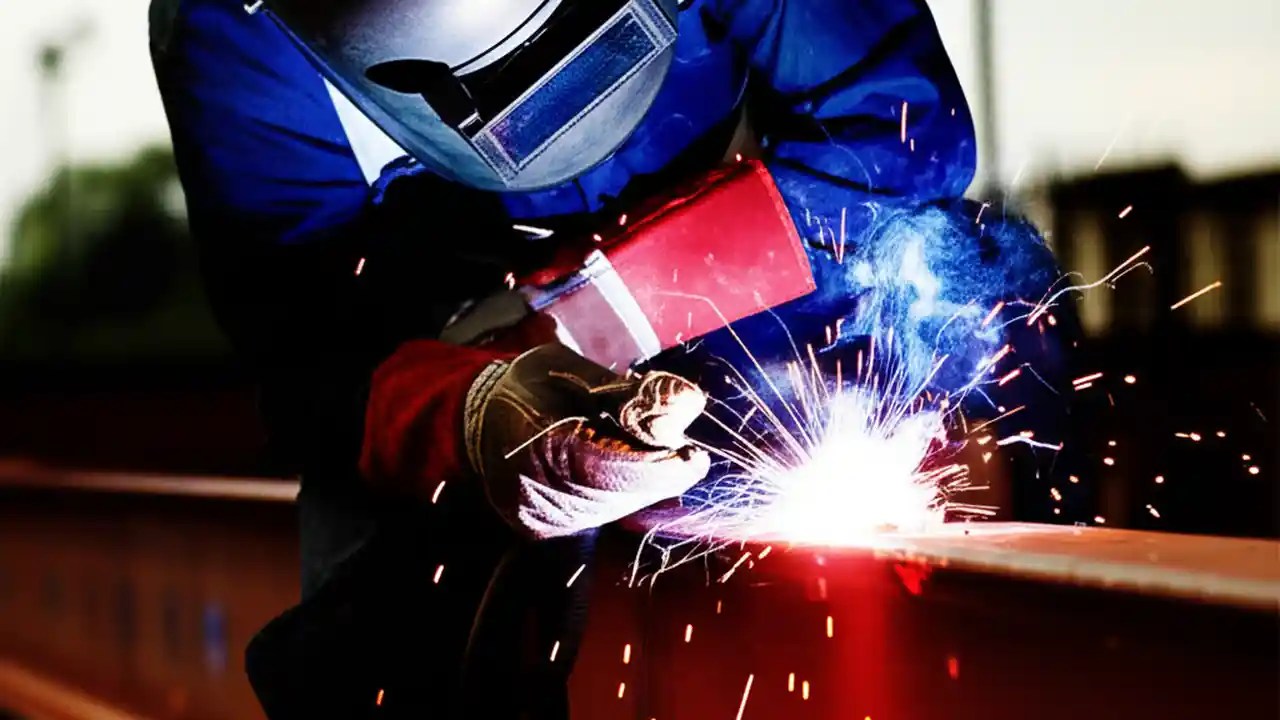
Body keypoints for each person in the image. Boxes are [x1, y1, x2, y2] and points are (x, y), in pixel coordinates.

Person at [149, 0, 978, 715]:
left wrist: (607, 309)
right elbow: (311, 359)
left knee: (971, 285)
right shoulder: (238, 32)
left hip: (761, 275)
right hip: (462, 354)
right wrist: (476, 418)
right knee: (403, 604)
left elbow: (902, 137)